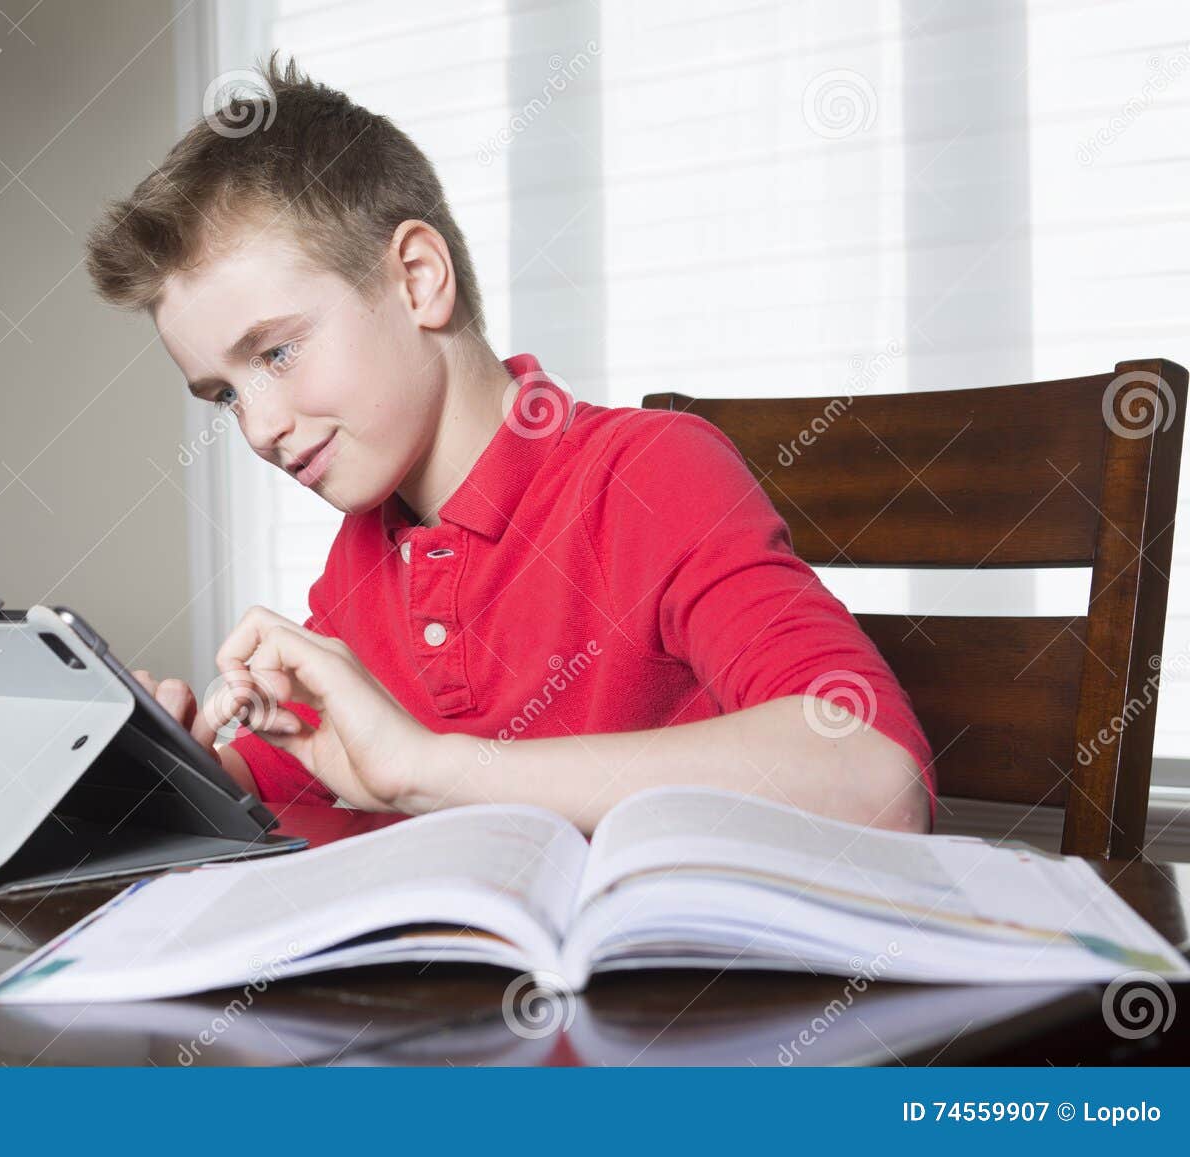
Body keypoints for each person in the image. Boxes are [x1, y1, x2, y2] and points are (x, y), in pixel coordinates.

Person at [84, 54, 932, 835]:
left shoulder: (650, 474)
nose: (259, 426)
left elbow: (873, 774)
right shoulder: (361, 564)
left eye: (276, 352)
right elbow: (288, 780)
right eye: (225, 394)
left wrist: (435, 769)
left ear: (418, 278)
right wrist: (179, 771)